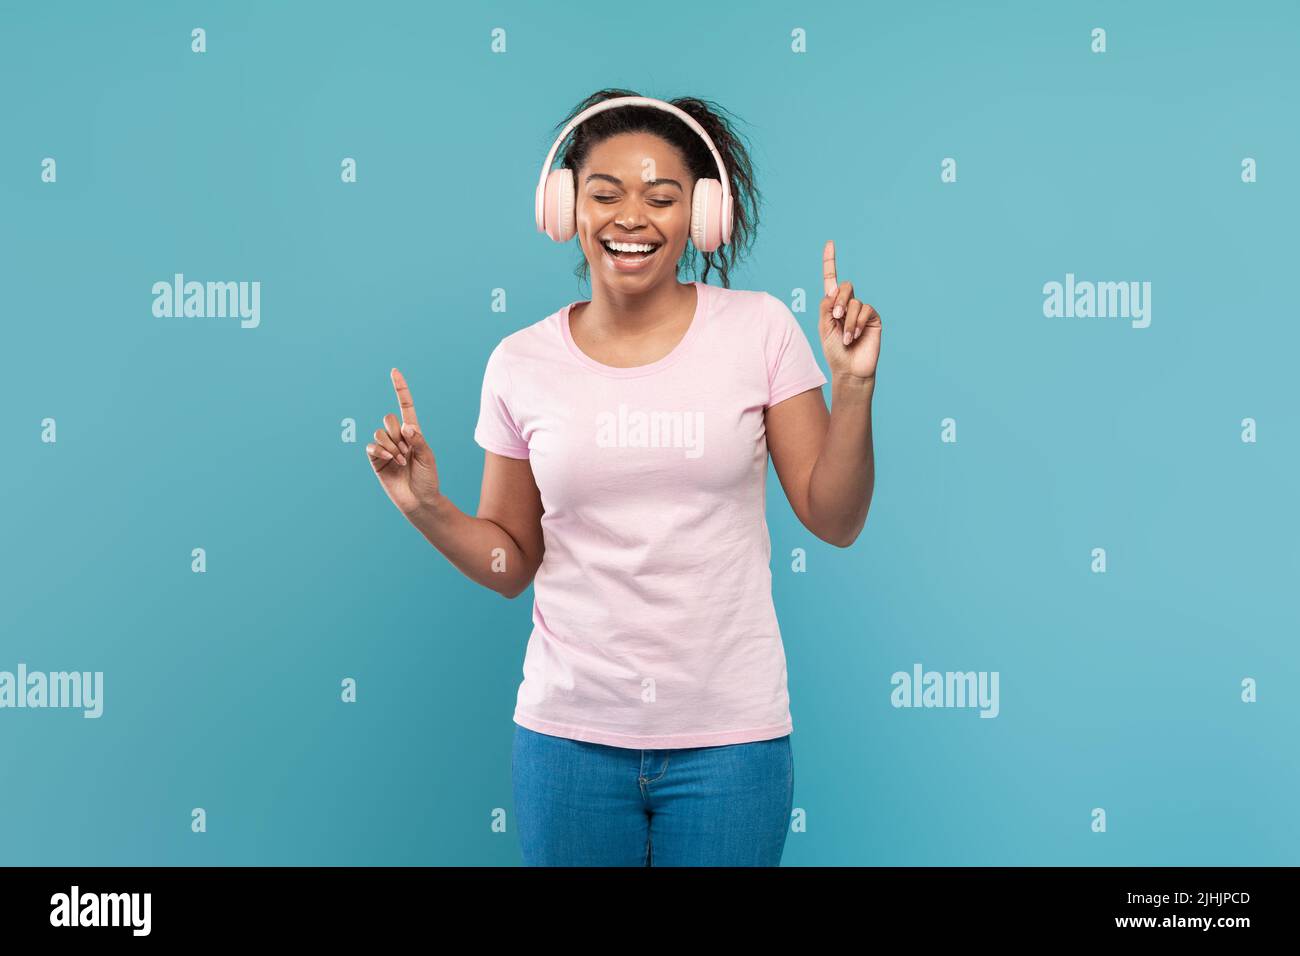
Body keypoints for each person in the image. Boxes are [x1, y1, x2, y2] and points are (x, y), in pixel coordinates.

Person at [366, 90, 881, 866]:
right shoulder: (520, 364)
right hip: (568, 739)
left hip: (731, 741)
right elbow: (512, 566)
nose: (630, 217)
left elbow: (835, 519)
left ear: (704, 215)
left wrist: (853, 390)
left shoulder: (761, 331)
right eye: (605, 194)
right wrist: (427, 508)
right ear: (564, 205)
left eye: (661, 197)